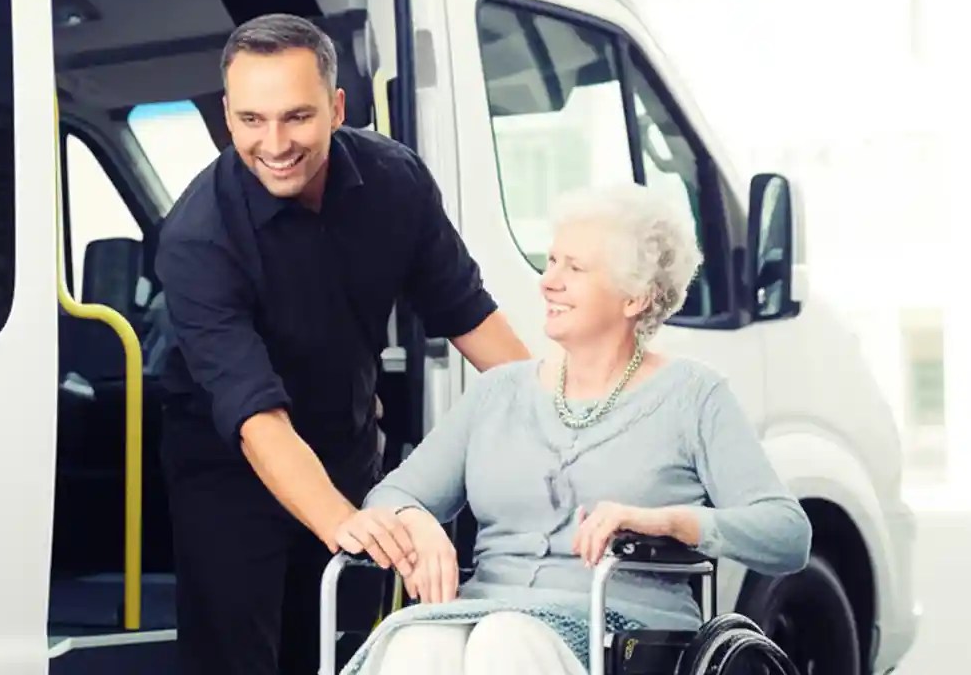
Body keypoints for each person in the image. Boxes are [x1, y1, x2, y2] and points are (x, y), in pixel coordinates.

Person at [153, 12, 531, 675]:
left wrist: (573, 424)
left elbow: (470, 318)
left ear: (336, 107)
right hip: (228, 463)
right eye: (250, 120)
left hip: (343, 439)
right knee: (235, 656)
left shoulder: (396, 182)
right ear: (227, 114)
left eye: (297, 117)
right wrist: (342, 521)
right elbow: (253, 416)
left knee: (329, 647)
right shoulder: (197, 237)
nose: (274, 143)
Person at [335, 181, 814, 675]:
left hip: (624, 631)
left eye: (574, 268)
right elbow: (391, 495)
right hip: (484, 611)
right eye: (552, 261)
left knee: (506, 641)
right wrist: (416, 520)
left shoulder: (693, 396)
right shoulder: (497, 392)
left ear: (635, 298)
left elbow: (787, 534)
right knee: (418, 641)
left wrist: (672, 521)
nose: (548, 282)